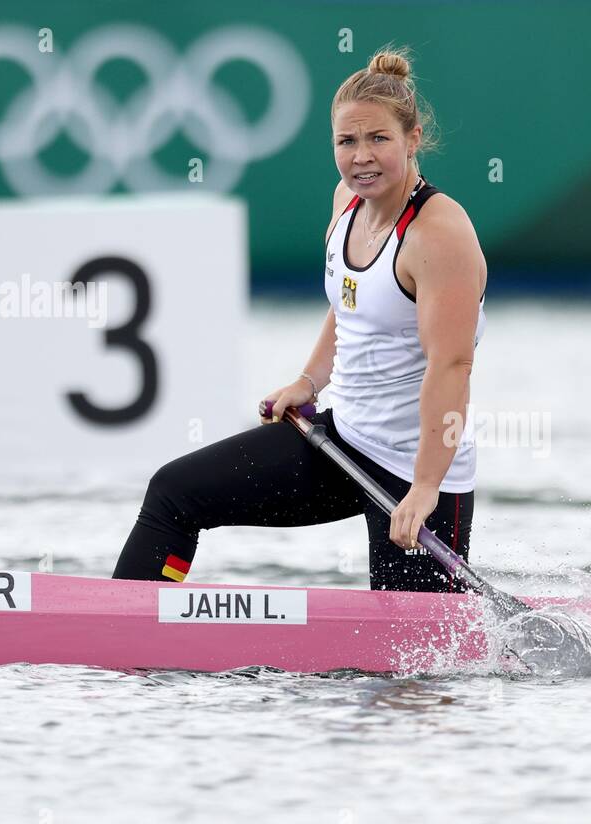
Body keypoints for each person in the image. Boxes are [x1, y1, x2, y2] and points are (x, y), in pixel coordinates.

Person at [113, 47, 487, 591]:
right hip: (341, 444)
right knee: (173, 493)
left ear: (413, 139)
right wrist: (309, 380)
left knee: (408, 669)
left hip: (415, 471)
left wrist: (427, 487)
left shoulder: (439, 236)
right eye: (347, 141)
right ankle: (132, 630)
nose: (361, 157)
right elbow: (349, 306)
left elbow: (452, 367)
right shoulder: (347, 202)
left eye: (378, 139)